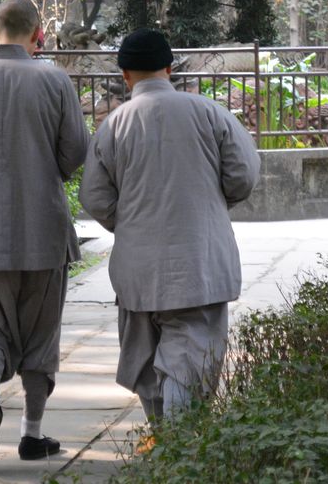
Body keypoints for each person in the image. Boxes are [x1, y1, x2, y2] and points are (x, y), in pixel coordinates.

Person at [79, 28, 260, 430]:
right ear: (170, 68)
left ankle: (163, 439)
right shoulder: (209, 112)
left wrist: (129, 222)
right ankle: (179, 448)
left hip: (138, 269)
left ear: (125, 75)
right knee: (188, 360)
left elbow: (93, 195)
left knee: (146, 359)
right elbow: (243, 175)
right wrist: (210, 206)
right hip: (200, 262)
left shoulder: (113, 125)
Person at [0, 0, 89, 464]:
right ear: (37, 34)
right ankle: (32, 433)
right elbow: (75, 152)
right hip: (44, 231)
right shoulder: (54, 80)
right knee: (41, 335)